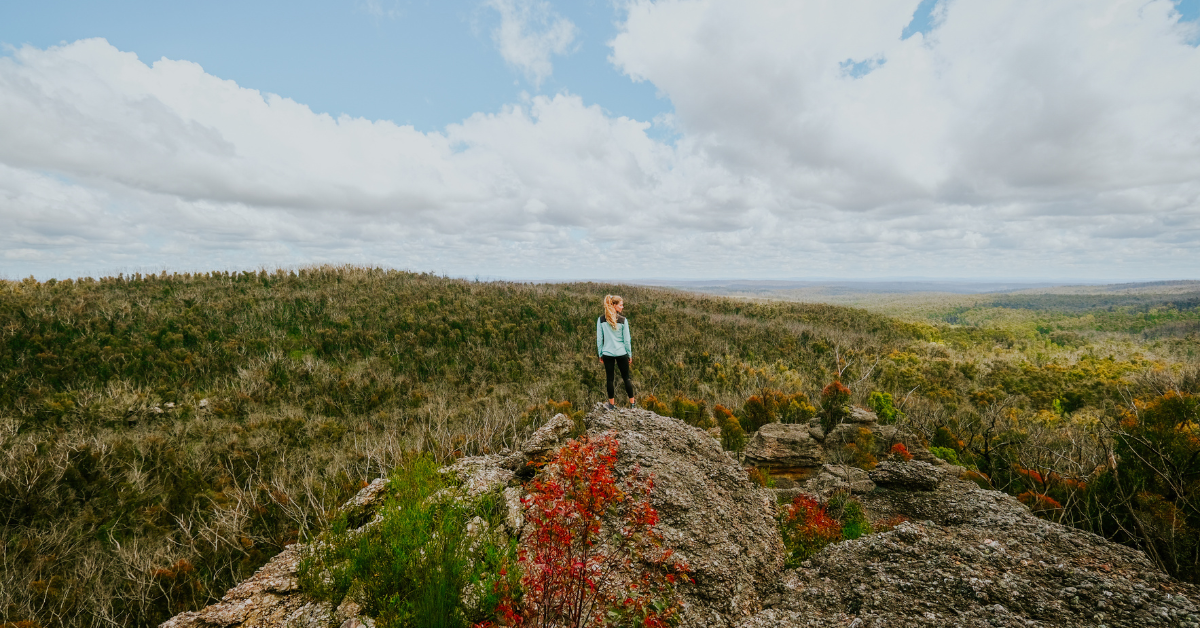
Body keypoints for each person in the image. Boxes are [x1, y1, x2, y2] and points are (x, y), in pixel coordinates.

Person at [597, 294, 636, 410]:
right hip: (621, 353)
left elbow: (599, 339)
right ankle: (632, 404)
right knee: (626, 378)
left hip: (607, 353)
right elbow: (627, 340)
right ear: (614, 305)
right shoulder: (623, 320)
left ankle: (612, 405)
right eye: (620, 305)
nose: (622, 307)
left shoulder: (601, 320)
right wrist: (629, 354)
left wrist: (600, 353)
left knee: (610, 379)